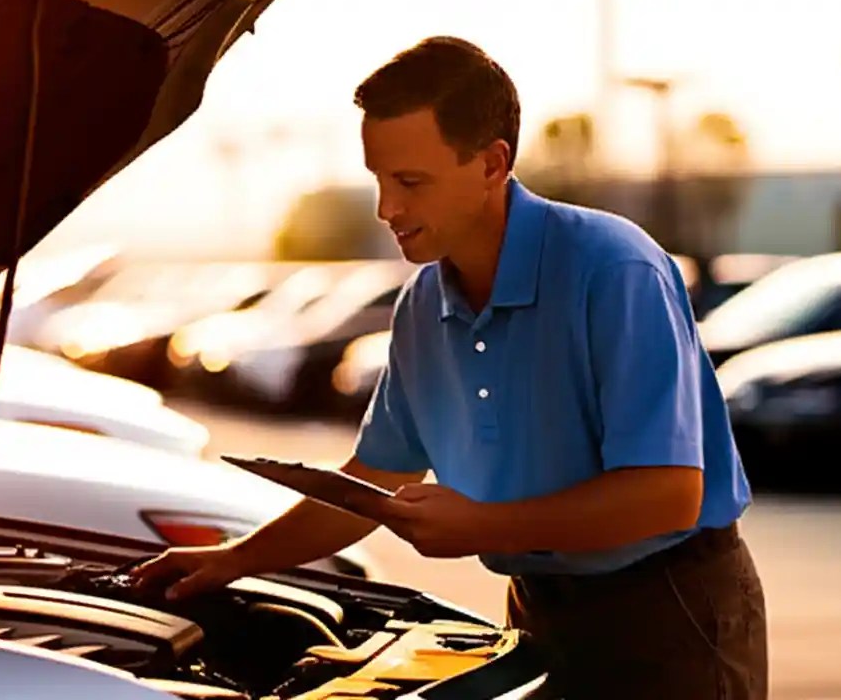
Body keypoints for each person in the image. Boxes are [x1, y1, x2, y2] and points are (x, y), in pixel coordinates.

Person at [133, 36, 767, 697]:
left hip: (671, 611)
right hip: (538, 610)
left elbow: (667, 493)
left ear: (493, 163)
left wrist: (483, 526)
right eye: (379, 180)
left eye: (410, 182)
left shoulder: (613, 270)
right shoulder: (421, 304)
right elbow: (375, 478)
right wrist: (235, 561)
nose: (388, 209)